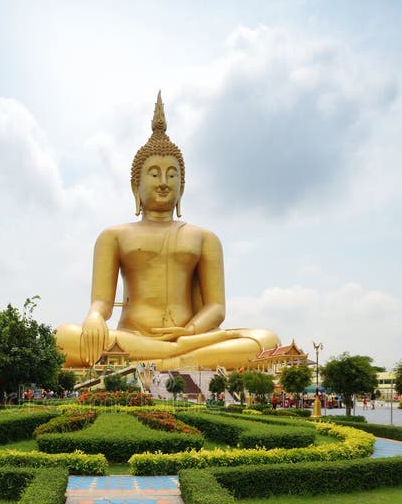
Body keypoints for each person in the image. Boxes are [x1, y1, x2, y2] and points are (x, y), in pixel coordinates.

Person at [56, 93, 279, 370]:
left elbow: (217, 308)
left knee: (267, 340)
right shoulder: (114, 236)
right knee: (63, 338)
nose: (163, 182)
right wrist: (93, 318)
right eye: (153, 174)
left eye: (172, 175)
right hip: (130, 338)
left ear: (182, 187)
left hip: (191, 336)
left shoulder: (204, 238)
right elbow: (101, 302)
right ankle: (177, 359)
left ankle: (155, 362)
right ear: (135, 187)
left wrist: (190, 332)